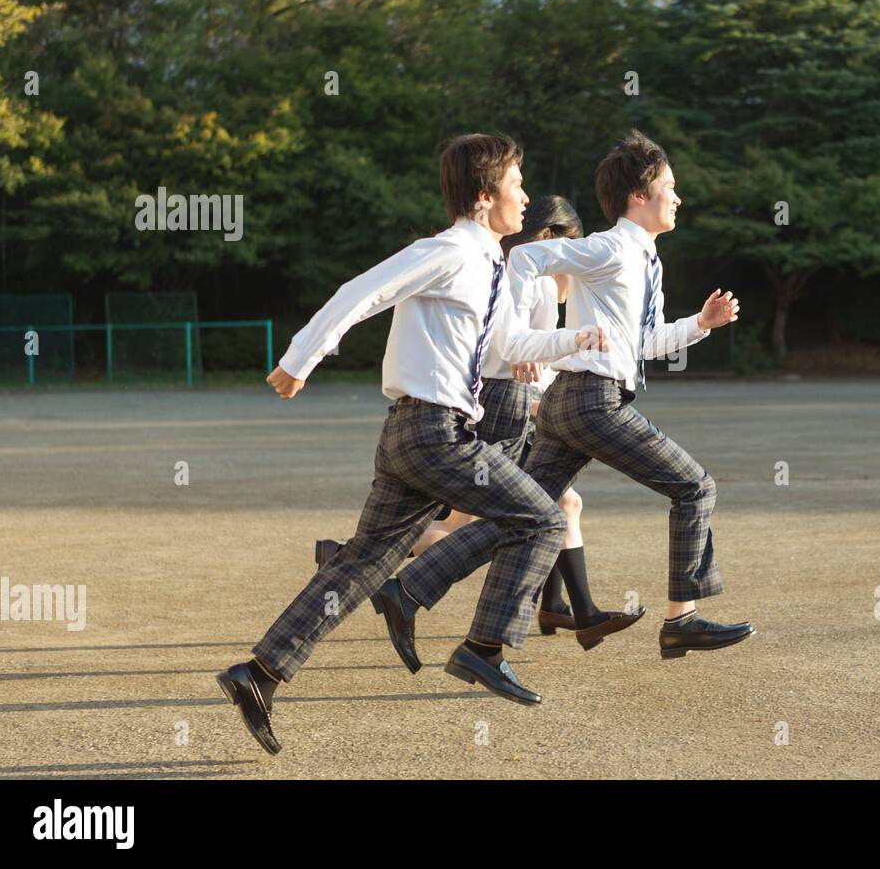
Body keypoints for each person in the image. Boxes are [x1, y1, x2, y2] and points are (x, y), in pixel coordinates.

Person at [216, 133, 607, 754]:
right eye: (516, 185)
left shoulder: (491, 265)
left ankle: (258, 674)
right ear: (484, 197)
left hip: (414, 435)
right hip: (434, 433)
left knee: (364, 563)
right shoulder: (449, 250)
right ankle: (484, 648)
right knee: (540, 518)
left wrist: (576, 339)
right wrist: (301, 359)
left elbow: (512, 346)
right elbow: (360, 292)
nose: (527, 198)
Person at [375, 129, 754, 708]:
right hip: (589, 402)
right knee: (694, 485)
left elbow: (645, 341)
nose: (678, 199)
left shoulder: (643, 259)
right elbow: (525, 256)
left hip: (573, 402)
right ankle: (683, 618)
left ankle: (411, 589)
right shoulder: (610, 248)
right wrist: (520, 339)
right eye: (670, 189)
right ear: (639, 195)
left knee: (523, 518)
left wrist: (700, 324)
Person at [314, 196, 640, 649]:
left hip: (499, 405)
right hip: (506, 409)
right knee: (494, 520)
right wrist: (538, 397)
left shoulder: (505, 271)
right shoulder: (535, 283)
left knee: (553, 507)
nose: (577, 266)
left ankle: (564, 608)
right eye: (574, 250)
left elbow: (512, 347)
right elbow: (512, 349)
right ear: (549, 239)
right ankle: (365, 567)